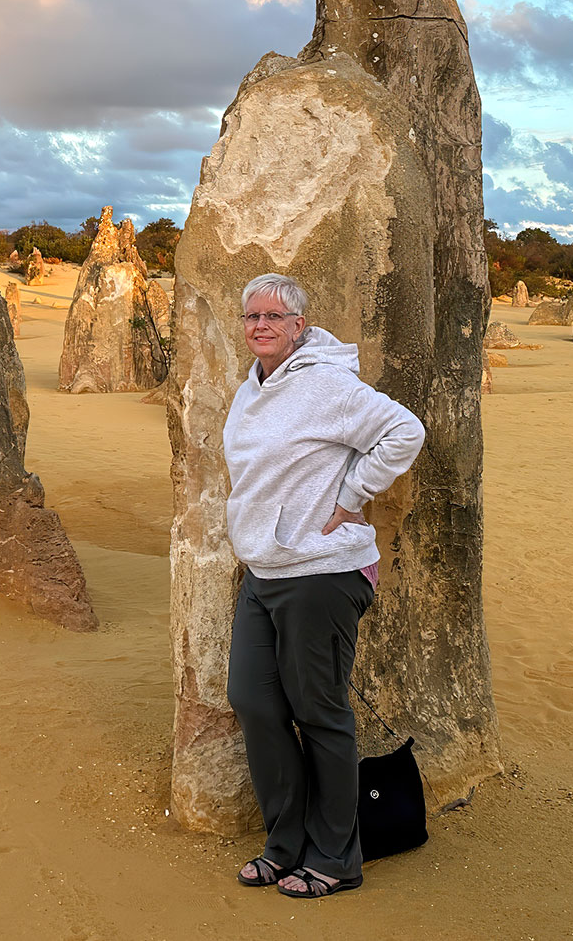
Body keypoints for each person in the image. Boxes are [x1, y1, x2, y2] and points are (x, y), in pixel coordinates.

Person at [223, 273, 425, 899]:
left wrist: (352, 494)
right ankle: (284, 844)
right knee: (253, 701)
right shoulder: (251, 389)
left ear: (298, 325)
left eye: (273, 316)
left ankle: (336, 857)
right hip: (264, 569)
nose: (260, 325)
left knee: (319, 712)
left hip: (320, 573)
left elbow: (405, 431)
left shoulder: (326, 384)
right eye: (252, 315)